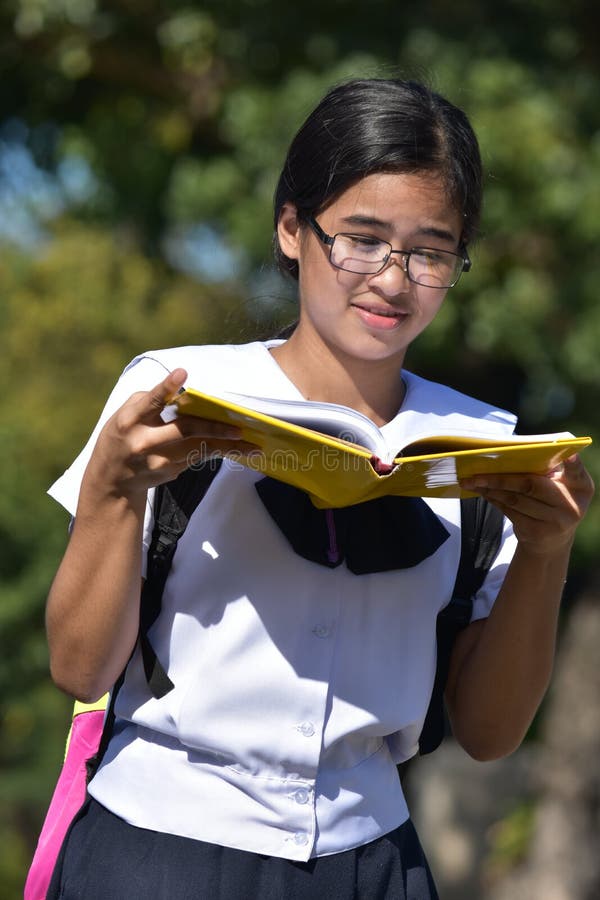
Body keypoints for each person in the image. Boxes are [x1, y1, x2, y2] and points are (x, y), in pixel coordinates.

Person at [44, 78, 593, 899]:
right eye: (362, 239)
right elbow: (81, 669)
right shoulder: (175, 392)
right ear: (293, 228)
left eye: (431, 251)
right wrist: (113, 491)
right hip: (158, 849)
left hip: (374, 861)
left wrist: (549, 546)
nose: (394, 280)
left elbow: (490, 733)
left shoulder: (485, 447)